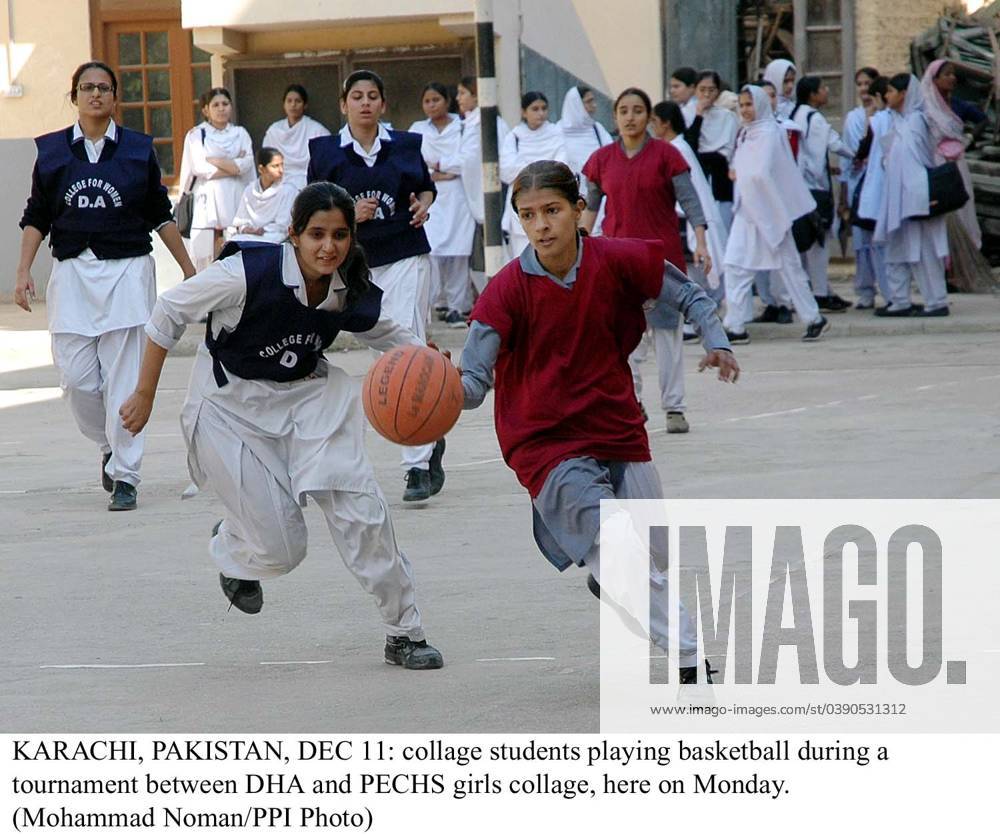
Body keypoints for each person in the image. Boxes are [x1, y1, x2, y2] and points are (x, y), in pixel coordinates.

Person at [118, 182, 443, 671]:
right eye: (316, 234)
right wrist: (144, 393)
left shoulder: (347, 286)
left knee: (363, 513)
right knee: (281, 551)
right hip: (229, 406)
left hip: (312, 399)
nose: (328, 246)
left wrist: (434, 366)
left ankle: (405, 632)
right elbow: (168, 311)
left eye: (338, 235)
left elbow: (389, 335)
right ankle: (236, 541)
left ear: (352, 237)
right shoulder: (246, 273)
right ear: (293, 234)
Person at [460, 160, 739, 684]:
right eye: (527, 215)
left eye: (551, 211)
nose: (540, 225)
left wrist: (717, 339)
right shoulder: (506, 290)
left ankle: (608, 574)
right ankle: (690, 661)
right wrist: (441, 389)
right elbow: (472, 384)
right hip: (544, 441)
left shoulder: (616, 259)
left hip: (615, 424)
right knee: (622, 553)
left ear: (578, 211)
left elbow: (690, 295)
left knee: (654, 552)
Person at [13, 60, 195, 512]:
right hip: (73, 271)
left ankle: (127, 475)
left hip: (128, 273)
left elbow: (160, 213)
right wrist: (22, 272)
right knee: (76, 379)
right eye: (87, 88)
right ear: (74, 96)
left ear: (116, 98)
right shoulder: (52, 152)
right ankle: (109, 444)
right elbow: (38, 214)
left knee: (125, 380)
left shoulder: (137, 150)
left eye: (104, 88)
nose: (96, 95)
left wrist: (191, 271)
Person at [307, 69, 445, 502]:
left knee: (407, 349)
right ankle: (431, 422)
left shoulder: (405, 145)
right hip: (354, 263)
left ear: (383, 104)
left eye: (372, 96)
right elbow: (315, 207)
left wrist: (422, 207)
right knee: (381, 347)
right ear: (343, 104)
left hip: (404, 254)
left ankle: (417, 463)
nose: (365, 103)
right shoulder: (325, 151)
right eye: (357, 96)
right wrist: (350, 215)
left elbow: (425, 189)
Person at [582, 87, 712, 434]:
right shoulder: (601, 160)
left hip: (661, 261)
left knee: (667, 334)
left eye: (637, 110)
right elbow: (589, 211)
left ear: (649, 117)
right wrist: (578, 248)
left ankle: (674, 407)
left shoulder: (667, 156)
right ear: (615, 117)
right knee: (624, 338)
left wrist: (700, 242)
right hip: (617, 263)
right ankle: (631, 402)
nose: (630, 117)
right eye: (623, 110)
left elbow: (691, 202)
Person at [722, 85, 829, 343]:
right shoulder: (747, 134)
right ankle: (734, 325)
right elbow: (741, 170)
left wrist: (743, 175)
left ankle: (813, 317)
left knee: (789, 267)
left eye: (750, 104)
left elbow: (762, 172)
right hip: (747, 212)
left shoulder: (770, 133)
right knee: (736, 265)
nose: (746, 110)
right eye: (742, 105)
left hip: (770, 213)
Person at [872, 74, 949, 317]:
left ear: (904, 94)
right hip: (900, 198)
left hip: (918, 197)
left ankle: (936, 301)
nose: (887, 96)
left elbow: (920, 160)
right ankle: (900, 301)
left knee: (925, 251)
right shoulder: (901, 121)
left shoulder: (917, 121)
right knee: (899, 248)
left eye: (891, 91)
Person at [409, 82, 475, 327]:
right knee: (432, 251)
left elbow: (466, 161)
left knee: (458, 251)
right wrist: (442, 171)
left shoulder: (462, 126)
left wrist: (437, 166)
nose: (431, 105)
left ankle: (458, 306)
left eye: (436, 99)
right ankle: (437, 304)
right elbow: (413, 161)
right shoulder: (417, 129)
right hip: (430, 195)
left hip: (459, 195)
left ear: (447, 101)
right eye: (427, 101)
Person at [440, 76, 510, 295]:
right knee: (481, 257)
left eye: (463, 93)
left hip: (490, 197)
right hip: (476, 201)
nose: (458, 98)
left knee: (498, 251)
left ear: (477, 95)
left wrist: (440, 165)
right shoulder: (470, 122)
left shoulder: (489, 123)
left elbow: (468, 160)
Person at [791, 76, 854, 311]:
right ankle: (819, 292)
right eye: (823, 88)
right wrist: (856, 155)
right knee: (819, 241)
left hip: (798, 188)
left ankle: (816, 290)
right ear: (813, 94)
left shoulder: (795, 114)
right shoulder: (814, 118)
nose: (827, 91)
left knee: (805, 242)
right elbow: (834, 144)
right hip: (815, 190)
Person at [921, 59, 985, 278]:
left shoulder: (958, 105)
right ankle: (942, 268)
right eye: (946, 74)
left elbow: (981, 120)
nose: (952, 78)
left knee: (963, 208)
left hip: (957, 162)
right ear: (934, 79)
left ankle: (962, 266)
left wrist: (969, 138)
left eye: (953, 74)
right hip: (936, 163)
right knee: (942, 213)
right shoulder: (925, 106)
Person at [179, 87, 254, 270]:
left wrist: (216, 160)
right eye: (216, 105)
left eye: (225, 104)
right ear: (206, 110)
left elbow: (247, 164)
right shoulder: (197, 134)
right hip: (207, 202)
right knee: (205, 259)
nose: (221, 108)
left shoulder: (240, 133)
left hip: (235, 197)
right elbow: (199, 167)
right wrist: (233, 166)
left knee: (235, 254)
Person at [840, 68, 889, 310]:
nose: (863, 89)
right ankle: (865, 291)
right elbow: (849, 160)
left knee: (882, 242)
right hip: (859, 185)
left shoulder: (886, 117)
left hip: (882, 185)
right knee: (861, 244)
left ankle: (891, 293)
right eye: (859, 84)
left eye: (867, 83)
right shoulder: (853, 118)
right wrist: (843, 198)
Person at [500, 91, 569, 260]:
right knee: (523, 257)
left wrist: (528, 169)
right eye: (535, 109)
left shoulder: (556, 134)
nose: (541, 113)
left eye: (544, 108)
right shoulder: (514, 137)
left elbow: (561, 167)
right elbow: (506, 170)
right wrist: (542, 169)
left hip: (551, 202)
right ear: (524, 112)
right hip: (522, 203)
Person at [685, 71, 738, 231]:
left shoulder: (727, 116)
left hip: (720, 172)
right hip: (697, 169)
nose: (707, 94)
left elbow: (730, 148)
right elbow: (689, 144)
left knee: (722, 221)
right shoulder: (686, 112)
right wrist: (699, 115)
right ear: (695, 89)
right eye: (702, 89)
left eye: (712, 90)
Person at [558, 85, 613, 234]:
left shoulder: (598, 130)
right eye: (588, 102)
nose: (593, 106)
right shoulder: (558, 132)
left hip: (597, 198)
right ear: (576, 104)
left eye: (593, 101)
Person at [261, 84, 331, 191]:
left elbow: (327, 159)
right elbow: (266, 159)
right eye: (289, 101)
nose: (293, 105)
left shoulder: (316, 130)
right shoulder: (274, 130)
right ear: (284, 104)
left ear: (305, 105)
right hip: (279, 183)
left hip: (307, 183)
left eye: (298, 101)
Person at [227, 147, 297, 243]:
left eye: (282, 165)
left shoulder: (288, 190)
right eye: (275, 166)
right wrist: (246, 229)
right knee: (233, 242)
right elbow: (241, 220)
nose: (281, 170)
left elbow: (283, 225)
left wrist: (263, 230)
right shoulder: (249, 190)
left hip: (274, 235)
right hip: (249, 235)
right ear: (261, 169)